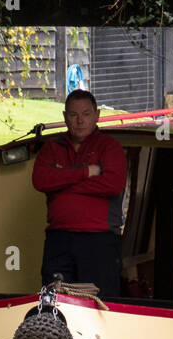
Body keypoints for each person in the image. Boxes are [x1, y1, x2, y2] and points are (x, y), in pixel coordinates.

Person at [31, 89, 128, 297]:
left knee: (100, 305)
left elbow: (113, 184)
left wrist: (61, 180)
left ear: (97, 115)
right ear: (65, 117)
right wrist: (86, 172)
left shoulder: (110, 147)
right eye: (74, 115)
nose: (80, 121)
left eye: (86, 114)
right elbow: (40, 181)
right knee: (53, 303)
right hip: (58, 240)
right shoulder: (51, 148)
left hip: (99, 241)